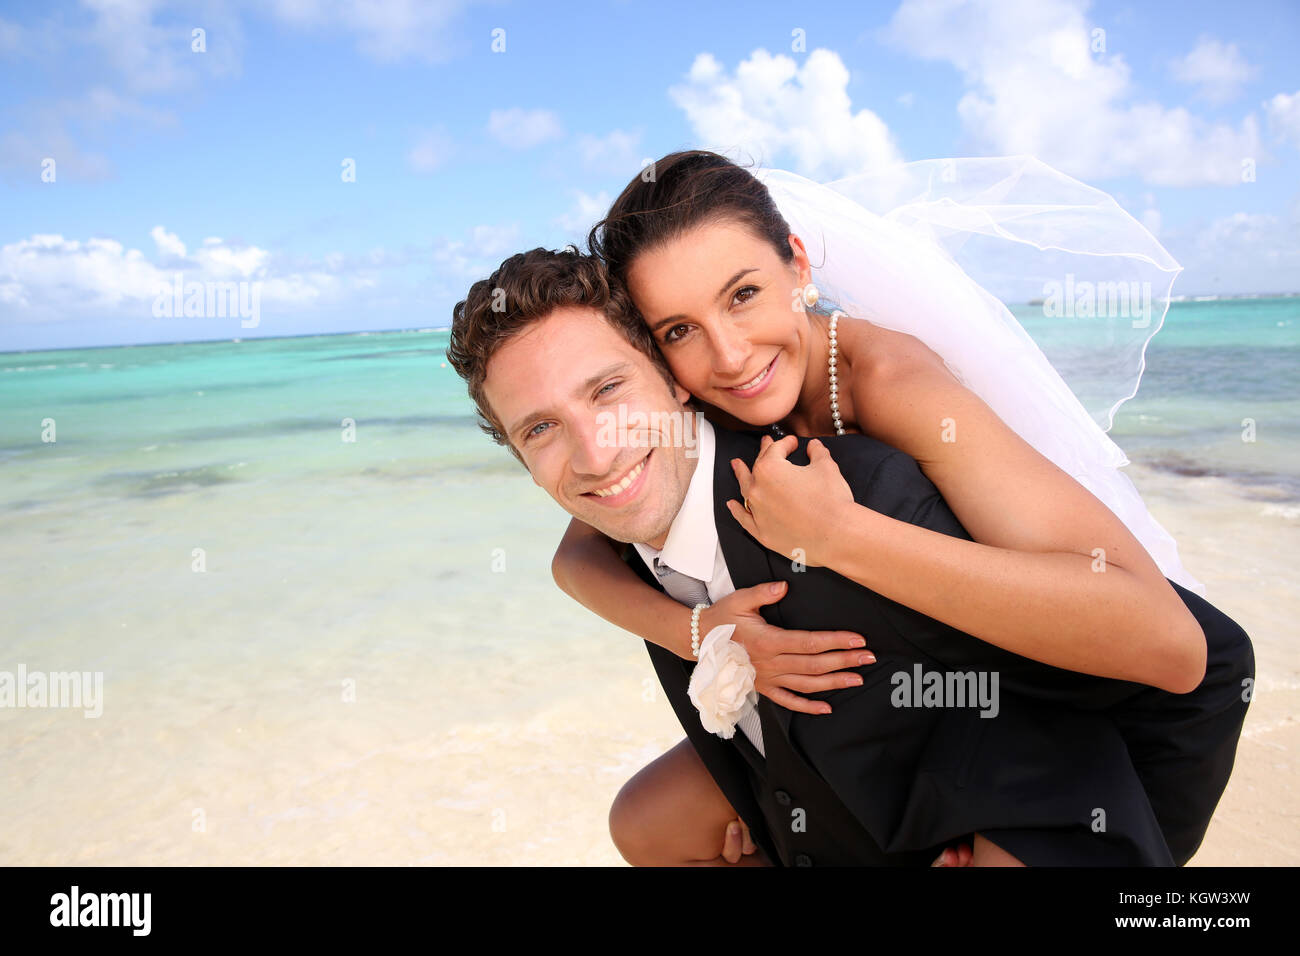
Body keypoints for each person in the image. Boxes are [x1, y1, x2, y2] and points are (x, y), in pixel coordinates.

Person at [548, 151, 1253, 866]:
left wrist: (843, 536)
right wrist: (700, 630)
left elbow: (1171, 645)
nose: (728, 356)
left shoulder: (894, 386)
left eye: (742, 295)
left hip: (1126, 702)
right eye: (678, 330)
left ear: (797, 265)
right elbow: (576, 557)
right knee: (650, 820)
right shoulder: (701, 393)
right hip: (940, 692)